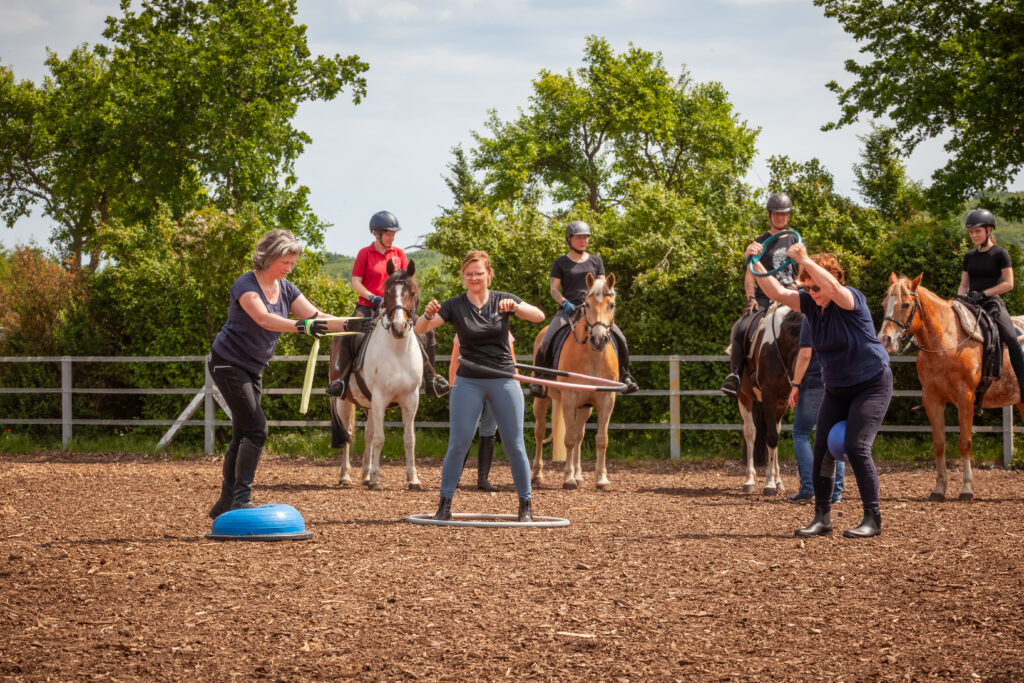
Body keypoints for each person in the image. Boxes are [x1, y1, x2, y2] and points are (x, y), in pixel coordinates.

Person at [750, 242, 892, 538]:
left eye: (817, 287)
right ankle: (822, 517)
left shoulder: (851, 299)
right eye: (808, 288)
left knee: (856, 446)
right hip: (838, 388)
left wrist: (805, 260)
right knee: (822, 448)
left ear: (833, 280)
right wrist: (756, 262)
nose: (812, 293)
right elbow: (776, 292)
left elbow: (834, 289)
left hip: (871, 384)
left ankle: (872, 518)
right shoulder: (812, 305)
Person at [207, 229, 350, 519]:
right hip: (228, 363)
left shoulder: (286, 288)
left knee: (241, 433)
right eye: (286, 261)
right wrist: (300, 327)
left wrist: (355, 324)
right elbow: (264, 318)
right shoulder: (245, 284)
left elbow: (316, 317)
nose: (290, 267)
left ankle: (226, 501)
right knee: (257, 429)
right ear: (269, 257)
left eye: (293, 262)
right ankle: (241, 500)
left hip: (252, 367)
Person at [415, 250, 546, 521]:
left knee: (515, 444)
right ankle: (444, 506)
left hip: (503, 379)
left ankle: (526, 507)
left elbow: (539, 316)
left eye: (479, 273)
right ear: (463, 278)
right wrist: (427, 315)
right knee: (458, 443)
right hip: (469, 381)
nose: (474, 278)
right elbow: (419, 329)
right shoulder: (454, 305)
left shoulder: (502, 300)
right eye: (469, 274)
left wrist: (516, 307)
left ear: (488, 274)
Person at [326, 210, 449, 399]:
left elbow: (407, 281)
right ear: (376, 233)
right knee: (352, 331)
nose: (392, 238)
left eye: (394, 234)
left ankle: (430, 379)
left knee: (428, 330)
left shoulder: (399, 254)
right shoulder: (364, 254)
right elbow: (356, 282)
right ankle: (341, 381)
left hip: (396, 307)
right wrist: (372, 297)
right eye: (389, 234)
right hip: (368, 305)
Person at [530, 220, 638, 398]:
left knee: (621, 338)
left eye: (586, 237)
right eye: (579, 237)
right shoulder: (561, 263)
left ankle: (625, 376)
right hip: (569, 309)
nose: (583, 241)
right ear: (569, 239)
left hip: (595, 310)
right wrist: (564, 302)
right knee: (547, 338)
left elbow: (603, 286)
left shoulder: (596, 261)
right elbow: (554, 289)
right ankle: (540, 379)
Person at [721, 193, 801, 397]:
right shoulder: (759, 243)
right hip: (767, 297)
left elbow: (804, 270)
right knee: (740, 327)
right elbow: (751, 276)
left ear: (789, 216)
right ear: (770, 215)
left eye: (784, 214)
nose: (780, 218)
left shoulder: (796, 240)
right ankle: (735, 376)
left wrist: (797, 284)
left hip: (791, 295)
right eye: (776, 214)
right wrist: (751, 298)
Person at [957, 208, 1024, 399]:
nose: (973, 235)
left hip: (992, 304)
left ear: (988, 230)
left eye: (977, 231)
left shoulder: (1000, 254)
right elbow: (963, 284)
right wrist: (961, 298)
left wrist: (984, 293)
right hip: (970, 304)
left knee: (1011, 338)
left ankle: (1023, 383)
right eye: (971, 232)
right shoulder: (969, 256)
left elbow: (1009, 284)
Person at [787, 318, 845, 504]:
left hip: (814, 385)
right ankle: (835, 492)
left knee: (801, 434)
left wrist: (795, 384)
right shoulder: (844, 316)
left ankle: (809, 488)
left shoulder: (810, 320)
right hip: (838, 384)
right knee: (834, 437)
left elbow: (805, 354)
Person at [449, 333, 514, 492]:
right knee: (465, 433)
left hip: (496, 387)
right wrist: (453, 388)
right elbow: (454, 361)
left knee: (489, 431)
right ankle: (454, 478)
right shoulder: (464, 328)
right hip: (470, 386)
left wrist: (514, 389)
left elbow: (511, 361)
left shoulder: (503, 330)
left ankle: (483, 479)